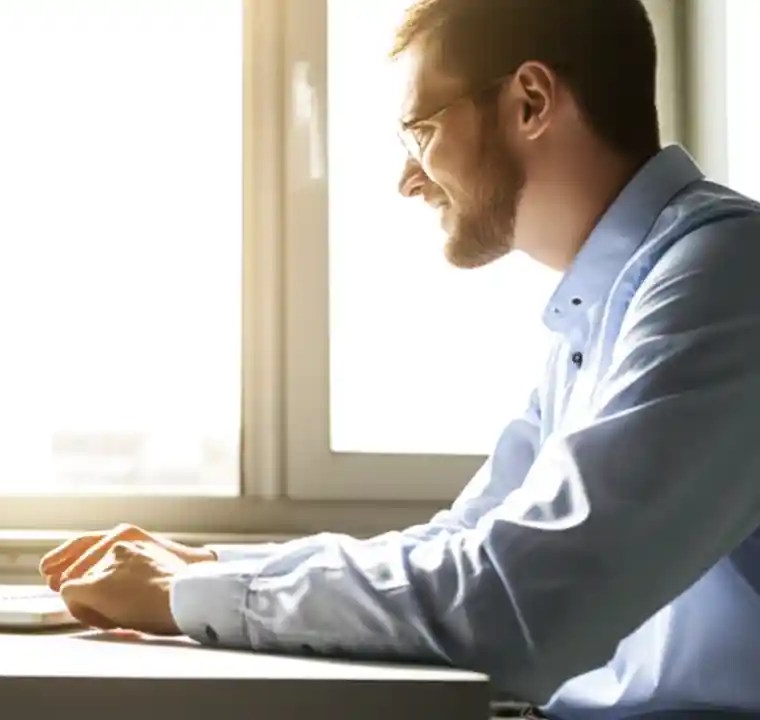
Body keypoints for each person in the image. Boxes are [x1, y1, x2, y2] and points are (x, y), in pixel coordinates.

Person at [38, 1, 760, 717]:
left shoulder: (726, 274)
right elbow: (464, 545)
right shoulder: (607, 308)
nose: (408, 179)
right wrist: (211, 569)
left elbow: (513, 608)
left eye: (421, 130)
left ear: (531, 101)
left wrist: (183, 596)